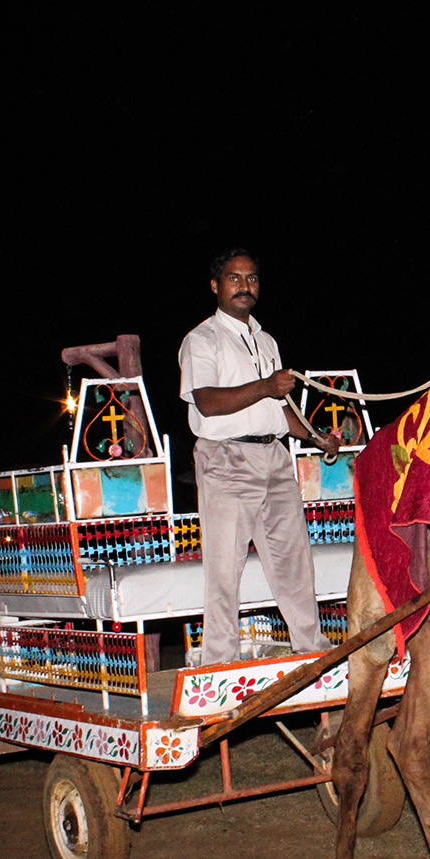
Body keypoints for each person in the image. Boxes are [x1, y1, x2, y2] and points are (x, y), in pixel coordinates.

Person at [178, 248, 339, 664]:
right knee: (224, 567)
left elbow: (279, 409)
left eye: (251, 279)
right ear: (216, 286)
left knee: (294, 560)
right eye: (234, 278)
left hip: (275, 456)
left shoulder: (265, 340)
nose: (244, 286)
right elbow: (208, 402)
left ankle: (312, 650)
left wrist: (317, 438)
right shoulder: (202, 340)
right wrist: (266, 386)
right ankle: (219, 661)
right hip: (226, 460)